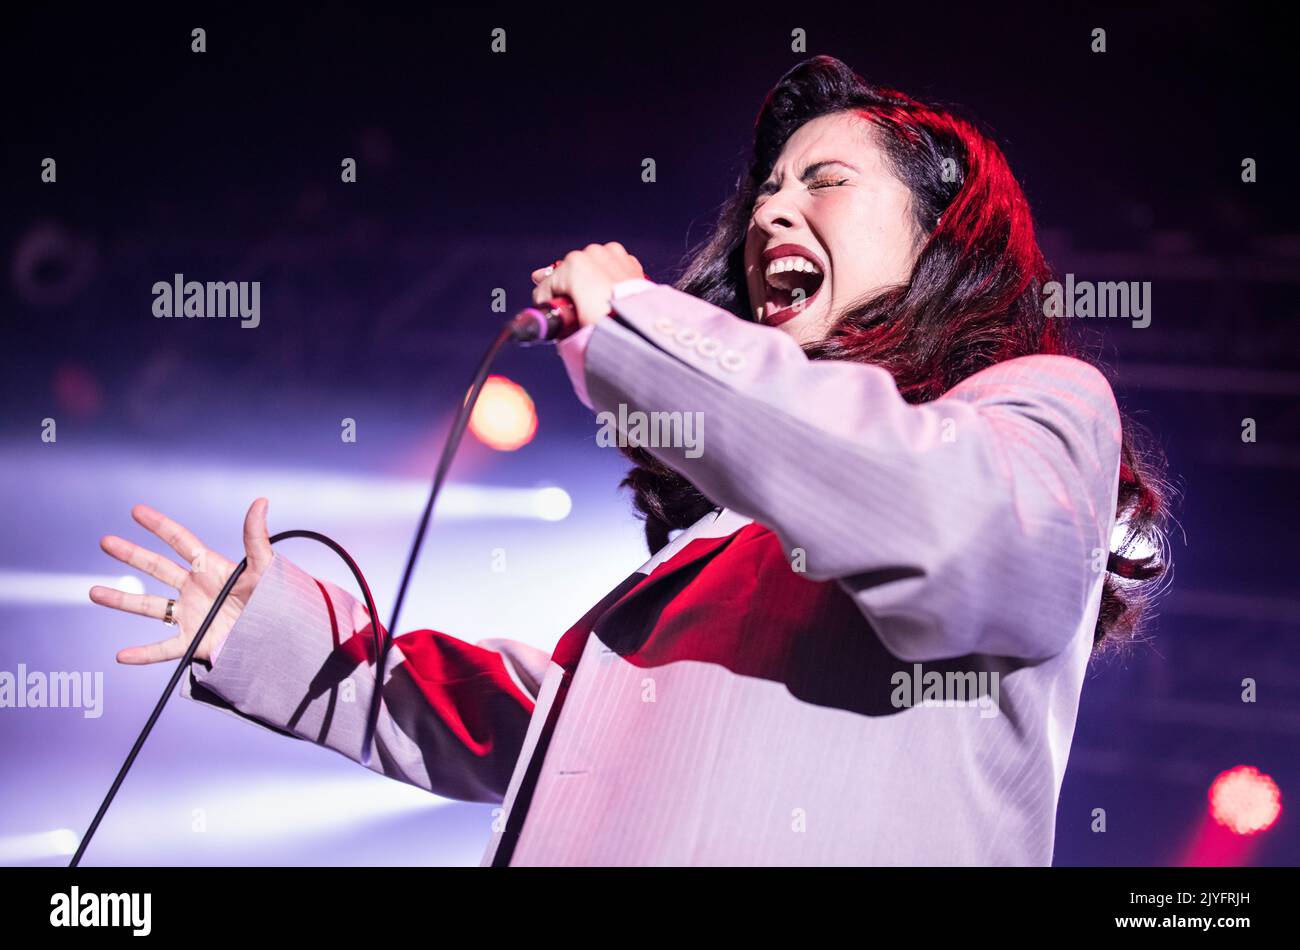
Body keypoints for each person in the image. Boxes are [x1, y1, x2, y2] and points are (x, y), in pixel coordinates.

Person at [89, 55, 1169, 865]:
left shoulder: (1040, 410)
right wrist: (280, 632)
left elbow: (935, 520)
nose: (770, 210)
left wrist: (636, 328)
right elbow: (553, 722)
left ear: (941, 235)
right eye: (765, 190)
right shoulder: (722, 541)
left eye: (822, 181)